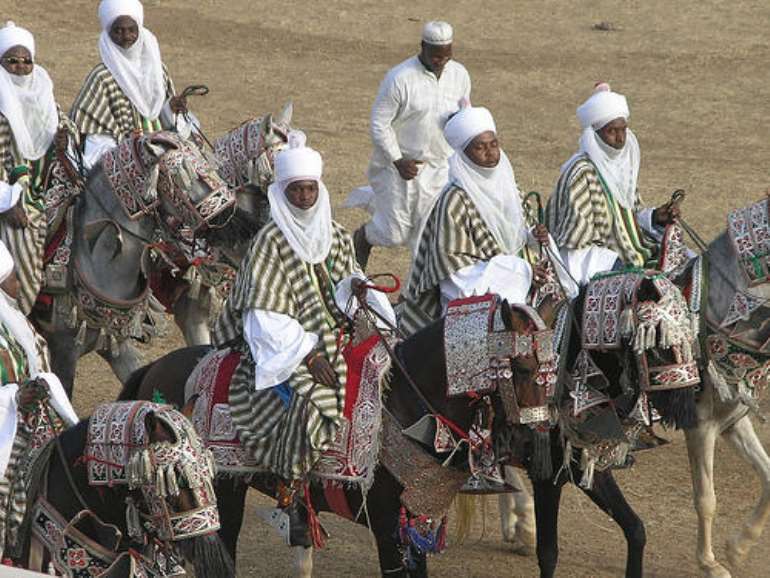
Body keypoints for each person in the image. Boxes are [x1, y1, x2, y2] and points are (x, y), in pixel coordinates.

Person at [212, 131, 395, 546]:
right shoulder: (270, 242)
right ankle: (289, 490)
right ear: (283, 191)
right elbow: (264, 316)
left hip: (334, 335)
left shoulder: (336, 234)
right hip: (282, 346)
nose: (305, 196)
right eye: (296, 189)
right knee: (316, 404)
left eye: (311, 188)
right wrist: (309, 356)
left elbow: (348, 285)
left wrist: (365, 300)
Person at [399, 105, 576, 336]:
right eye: (479, 147)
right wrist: (523, 271)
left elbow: (517, 237)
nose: (490, 153)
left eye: (493, 144)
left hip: (521, 281)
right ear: (464, 153)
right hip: (479, 297)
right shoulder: (454, 200)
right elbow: (457, 274)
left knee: (563, 300)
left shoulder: (509, 187)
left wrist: (533, 237)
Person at [350, 20, 471, 268]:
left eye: (446, 55)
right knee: (394, 234)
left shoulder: (460, 74)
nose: (441, 61)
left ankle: (418, 289)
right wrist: (397, 160)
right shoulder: (400, 78)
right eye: (435, 55)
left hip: (441, 168)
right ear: (422, 47)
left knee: (429, 235)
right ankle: (363, 238)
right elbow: (379, 123)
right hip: (402, 169)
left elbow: (464, 112)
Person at [546, 83, 680, 283]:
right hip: (593, 259)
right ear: (595, 134)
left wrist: (654, 217)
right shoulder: (581, 173)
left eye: (623, 129)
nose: (620, 138)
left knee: (685, 260)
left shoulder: (622, 166)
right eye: (612, 131)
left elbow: (626, 220)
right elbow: (575, 241)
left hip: (630, 249)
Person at [0, 241, 78, 560]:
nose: (20, 284)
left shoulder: (14, 319)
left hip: (33, 416)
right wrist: (16, 397)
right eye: (13, 277)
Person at [0, 21, 77, 314]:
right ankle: (23, 313)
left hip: (51, 183)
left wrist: (65, 138)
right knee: (24, 232)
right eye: (12, 61)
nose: (20, 67)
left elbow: (66, 125)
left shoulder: (43, 89)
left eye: (26, 61)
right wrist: (6, 202)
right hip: (12, 193)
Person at [70, 0, 192, 169]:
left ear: (139, 30)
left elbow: (161, 118)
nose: (126, 37)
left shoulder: (158, 70)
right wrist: (131, 152)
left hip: (162, 148)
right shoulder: (102, 77)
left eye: (131, 30)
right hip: (125, 159)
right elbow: (96, 135)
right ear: (108, 34)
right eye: (118, 31)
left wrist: (171, 109)